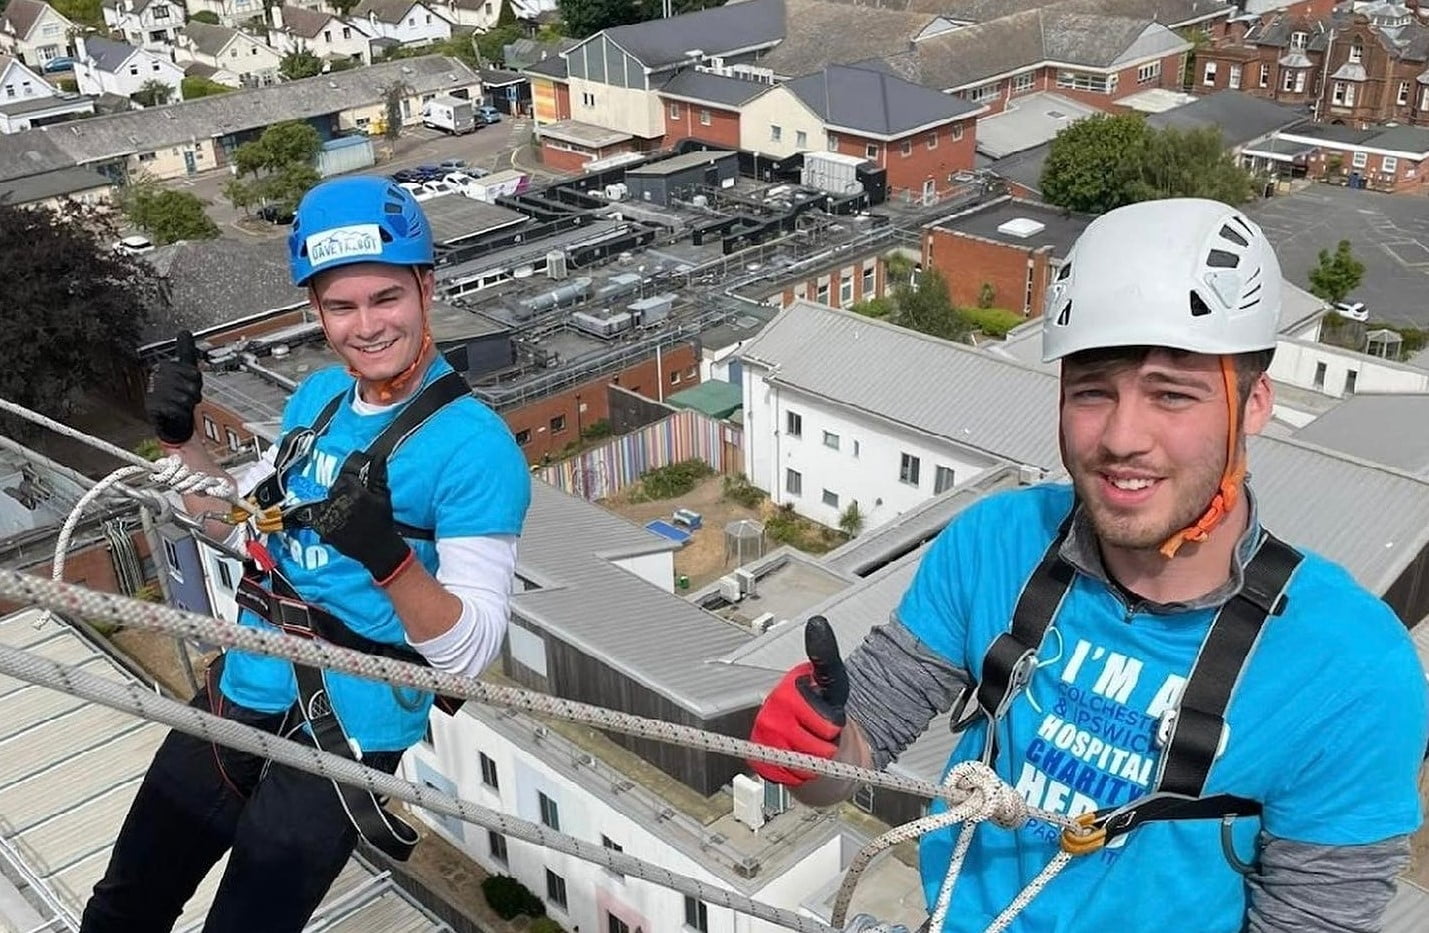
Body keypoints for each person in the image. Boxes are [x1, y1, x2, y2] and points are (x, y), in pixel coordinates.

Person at [749, 198, 1428, 932]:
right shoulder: (995, 542)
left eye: (1172, 394)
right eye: (1091, 391)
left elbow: (1310, 921)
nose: (1121, 437)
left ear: (1253, 402)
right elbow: (856, 753)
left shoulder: (1351, 670)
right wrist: (810, 753)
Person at [82, 176, 531, 932]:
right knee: (128, 896)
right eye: (341, 305)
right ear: (314, 311)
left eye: (385, 298)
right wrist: (178, 437)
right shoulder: (318, 399)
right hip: (246, 680)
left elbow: (468, 652)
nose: (366, 326)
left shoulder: (475, 447)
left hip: (348, 730)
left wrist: (387, 556)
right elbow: (233, 524)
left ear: (427, 287)